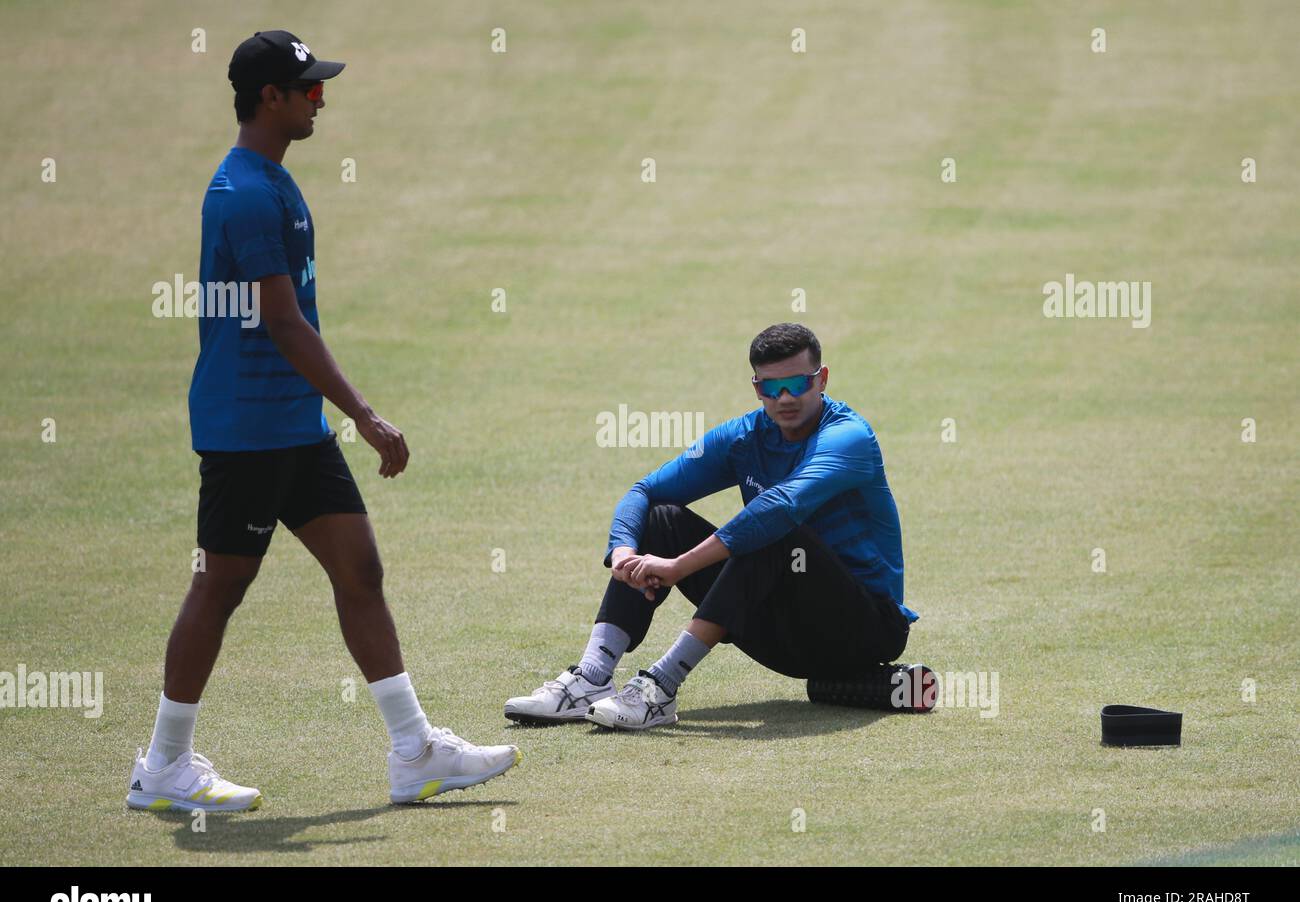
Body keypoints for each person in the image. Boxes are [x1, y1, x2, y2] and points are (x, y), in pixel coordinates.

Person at [127, 31, 519, 812]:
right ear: (268, 97)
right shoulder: (243, 193)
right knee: (220, 586)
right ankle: (163, 767)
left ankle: (413, 754)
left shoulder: (271, 180)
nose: (321, 99)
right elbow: (283, 322)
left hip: (293, 427)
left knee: (359, 571)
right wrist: (366, 416)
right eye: (307, 89)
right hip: (247, 430)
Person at [505, 323, 918, 730]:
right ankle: (591, 678)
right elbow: (645, 490)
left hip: (864, 631)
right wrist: (622, 552)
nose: (786, 397)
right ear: (757, 388)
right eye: (771, 388)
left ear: (822, 378)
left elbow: (780, 508)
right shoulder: (744, 436)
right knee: (661, 517)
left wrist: (678, 568)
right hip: (783, 639)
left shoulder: (848, 436)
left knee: (773, 528)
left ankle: (660, 688)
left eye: (798, 383)